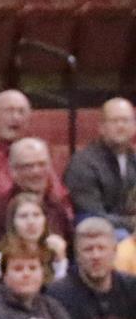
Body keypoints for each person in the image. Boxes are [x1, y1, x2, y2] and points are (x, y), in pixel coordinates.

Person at [0, 90, 67, 227]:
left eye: (21, 112)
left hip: (40, 225)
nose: (16, 117)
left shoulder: (37, 150)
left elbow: (58, 197)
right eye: (9, 111)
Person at [0, 139, 73, 258]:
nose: (36, 171)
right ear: (12, 171)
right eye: (28, 166)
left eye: (42, 164)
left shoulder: (58, 209)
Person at [65, 98, 136, 236]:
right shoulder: (83, 163)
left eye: (126, 121)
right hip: (97, 235)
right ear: (101, 127)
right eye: (114, 121)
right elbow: (92, 215)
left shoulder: (133, 159)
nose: (121, 126)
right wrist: (131, 223)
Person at [0, 192, 69, 284]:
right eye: (23, 216)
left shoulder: (54, 252)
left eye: (36, 215)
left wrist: (60, 260)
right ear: (13, 223)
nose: (31, 222)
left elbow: (60, 292)